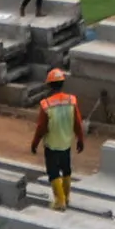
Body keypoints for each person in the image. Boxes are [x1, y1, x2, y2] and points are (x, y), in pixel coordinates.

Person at [30, 68, 85, 211]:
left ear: (49, 85)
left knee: (53, 172)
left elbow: (41, 127)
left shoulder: (46, 104)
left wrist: (35, 143)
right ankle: (66, 197)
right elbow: (77, 122)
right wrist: (80, 139)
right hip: (66, 143)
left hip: (52, 145)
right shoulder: (71, 100)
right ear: (62, 84)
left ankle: (60, 202)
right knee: (66, 170)